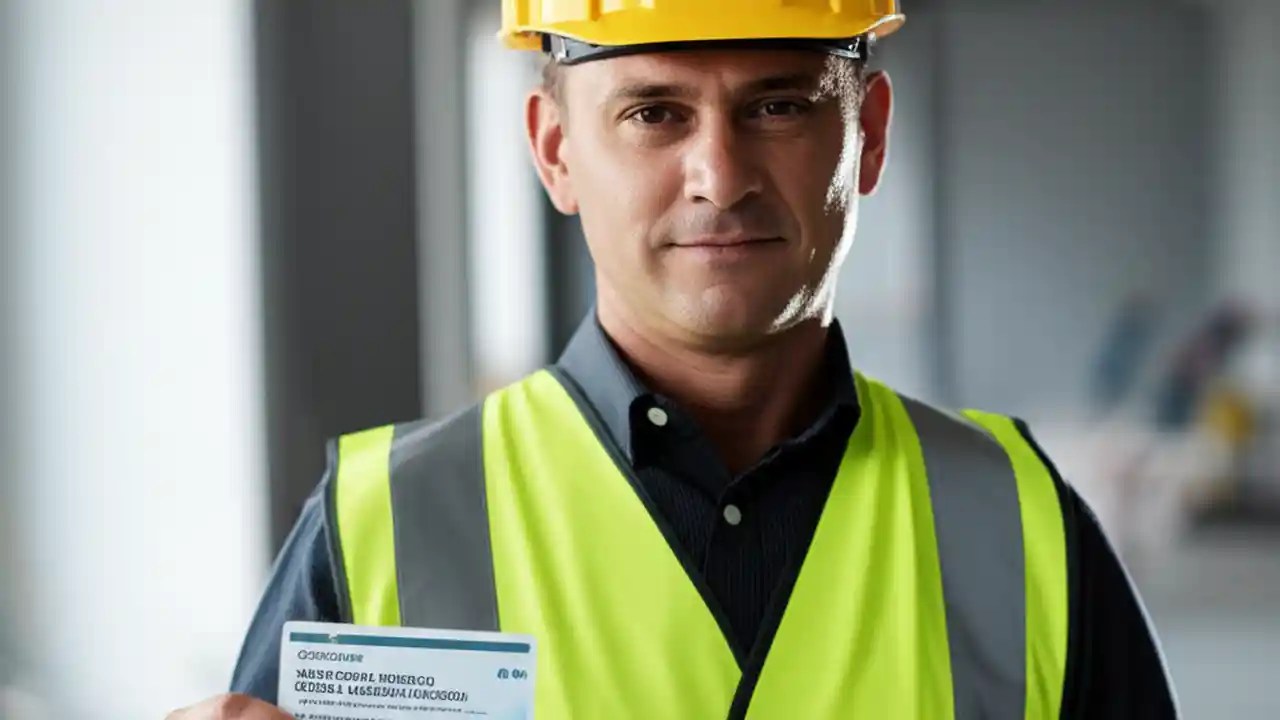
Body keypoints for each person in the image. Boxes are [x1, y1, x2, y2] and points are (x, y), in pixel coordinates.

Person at [168, 1, 1178, 717]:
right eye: (654, 113)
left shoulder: (1016, 522)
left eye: (777, 106)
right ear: (555, 150)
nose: (719, 176)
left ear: (865, 136)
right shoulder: (384, 524)